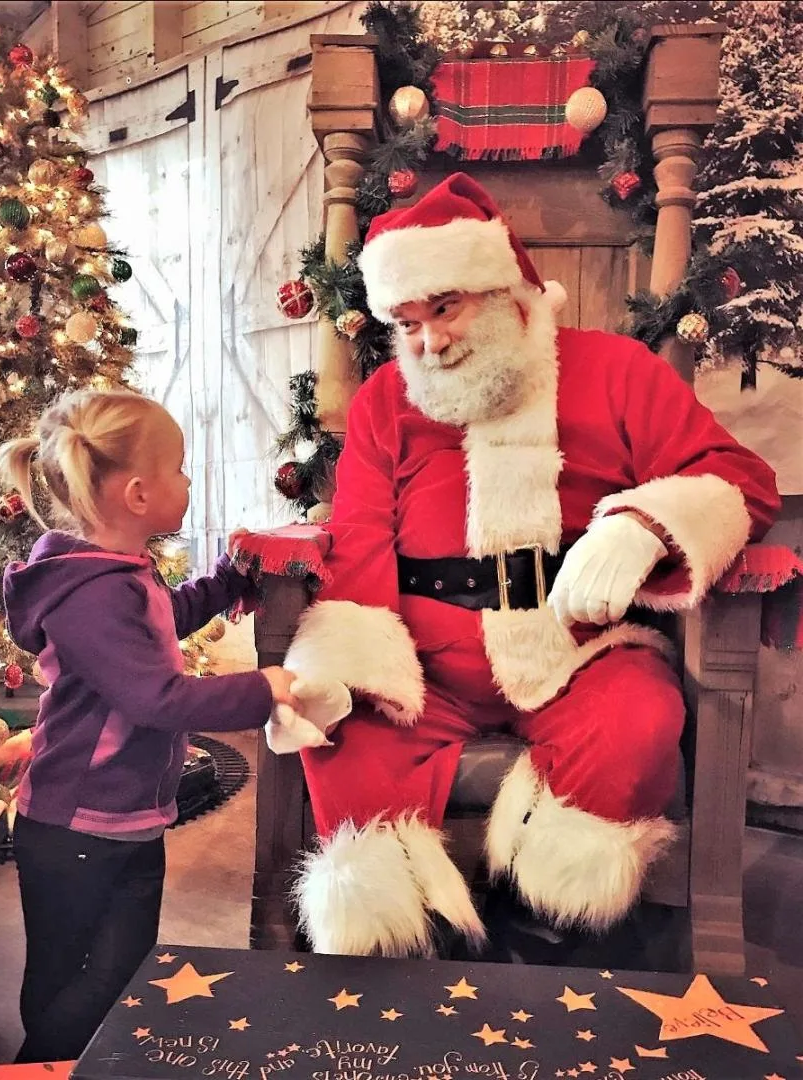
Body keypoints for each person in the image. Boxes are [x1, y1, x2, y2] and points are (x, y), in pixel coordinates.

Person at [280, 172, 781, 959]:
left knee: (639, 725)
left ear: (507, 290)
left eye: (444, 308)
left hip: (579, 648)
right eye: (407, 322)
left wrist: (646, 527)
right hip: (424, 662)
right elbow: (361, 539)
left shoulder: (615, 370)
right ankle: (413, 941)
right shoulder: (385, 400)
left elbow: (735, 477)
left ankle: (553, 922)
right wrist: (346, 666)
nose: (428, 342)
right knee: (338, 732)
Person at [0, 388, 298, 1062]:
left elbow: (163, 621)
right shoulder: (92, 595)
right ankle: (36, 1068)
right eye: (181, 468)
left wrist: (226, 582)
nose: (189, 480)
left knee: (118, 972)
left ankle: (68, 1060)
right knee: (75, 979)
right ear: (137, 494)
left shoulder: (120, 574)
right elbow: (158, 697)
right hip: (77, 828)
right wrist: (262, 689)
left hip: (130, 818)